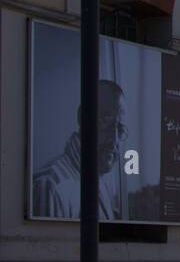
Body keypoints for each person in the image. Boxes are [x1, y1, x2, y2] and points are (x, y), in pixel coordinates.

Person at [33, 79, 130, 222]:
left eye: (120, 130)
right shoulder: (51, 186)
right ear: (83, 118)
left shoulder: (97, 181)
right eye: (106, 123)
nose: (114, 140)